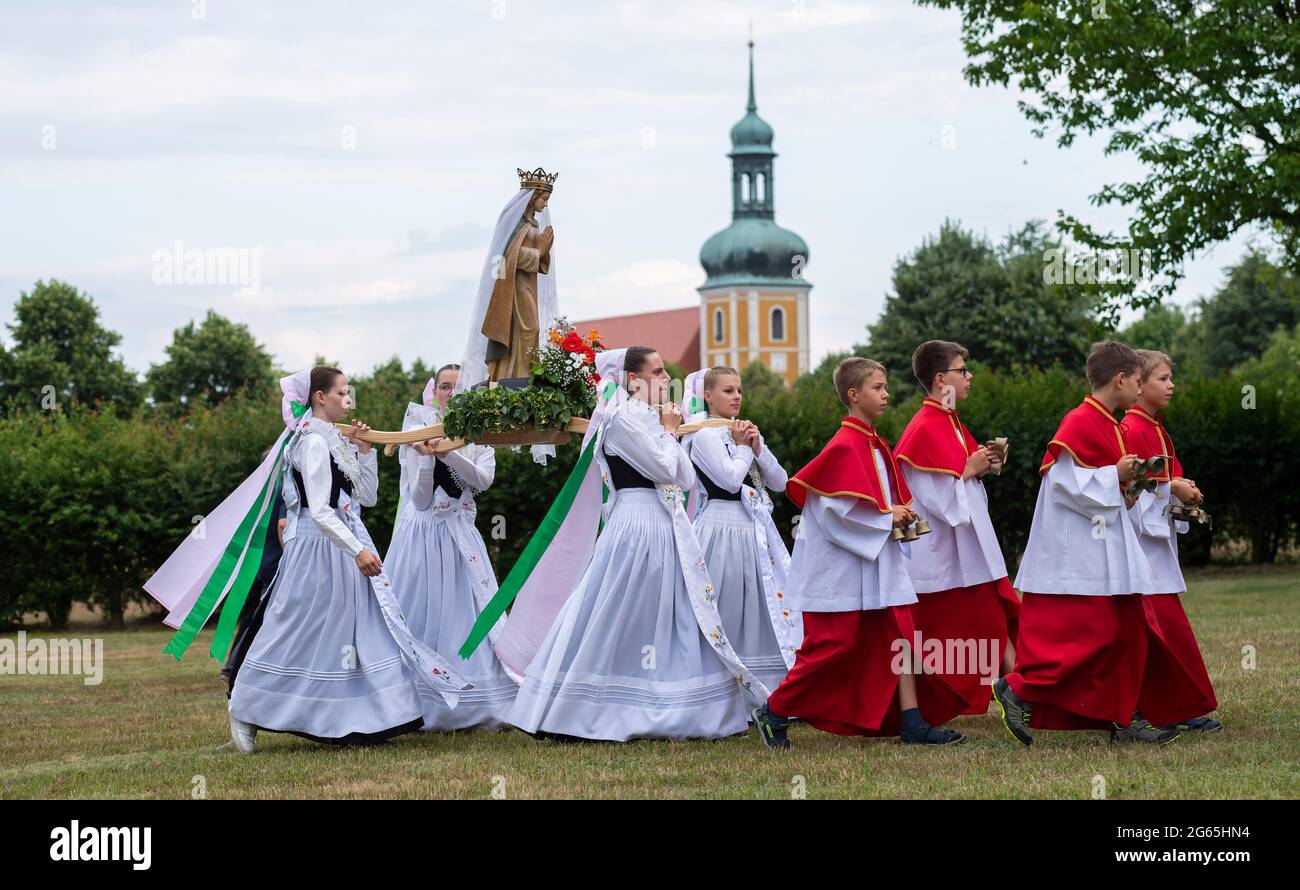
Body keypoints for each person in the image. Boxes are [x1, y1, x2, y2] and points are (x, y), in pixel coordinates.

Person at [506, 347, 767, 741]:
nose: (666, 379)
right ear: (633, 380)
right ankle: (580, 708)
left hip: (663, 520)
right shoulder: (622, 418)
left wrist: (668, 433)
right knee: (619, 607)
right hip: (636, 521)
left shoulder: (652, 418)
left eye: (665, 372)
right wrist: (668, 432)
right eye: (658, 372)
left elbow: (685, 478)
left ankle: (670, 706)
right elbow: (664, 468)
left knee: (667, 613)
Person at [227, 366, 467, 752]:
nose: (348, 399)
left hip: (342, 543)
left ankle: (362, 716)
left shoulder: (334, 439)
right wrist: (358, 550)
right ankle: (245, 707)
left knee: (354, 630)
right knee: (295, 626)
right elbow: (320, 511)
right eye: (341, 392)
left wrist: (367, 450)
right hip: (317, 546)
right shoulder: (313, 442)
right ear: (320, 397)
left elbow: (366, 498)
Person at [751, 357, 968, 749]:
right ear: (854, 395)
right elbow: (836, 514)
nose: (886, 395)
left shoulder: (873, 443)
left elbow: (876, 505)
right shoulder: (844, 446)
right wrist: (889, 517)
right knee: (831, 647)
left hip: (875, 565)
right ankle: (773, 711)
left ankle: (912, 722)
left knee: (900, 636)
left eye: (885, 387)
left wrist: (899, 520)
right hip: (841, 571)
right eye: (877, 388)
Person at [992, 341, 1181, 745]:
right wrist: (1115, 475)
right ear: (1120, 379)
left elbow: (1110, 490)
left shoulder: (1110, 424)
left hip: (1107, 547)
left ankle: (1122, 717)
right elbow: (1065, 484)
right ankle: (1019, 690)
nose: (1139, 386)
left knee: (1127, 629)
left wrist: (1128, 486)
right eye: (1136, 379)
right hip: (1079, 554)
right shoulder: (1079, 422)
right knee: (1091, 637)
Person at [386, 363, 517, 731]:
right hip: (424, 533)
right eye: (445, 386)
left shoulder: (478, 435)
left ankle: (474, 697)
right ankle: (412, 698)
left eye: (458, 388)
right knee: (422, 606)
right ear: (434, 391)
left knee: (466, 608)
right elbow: (421, 498)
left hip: (461, 531)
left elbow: (483, 480)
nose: (450, 394)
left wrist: (446, 453)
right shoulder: (417, 431)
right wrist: (426, 457)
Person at [893, 340, 1020, 715]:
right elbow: (934, 498)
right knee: (947, 631)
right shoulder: (923, 429)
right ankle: (1018, 693)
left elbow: (959, 479)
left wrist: (978, 465)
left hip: (965, 550)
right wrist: (970, 469)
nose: (969, 377)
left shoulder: (950, 421)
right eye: (962, 370)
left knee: (995, 616)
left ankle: (1019, 692)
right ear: (939, 379)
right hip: (938, 556)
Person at [1119, 349, 1220, 732]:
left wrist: (1181, 489)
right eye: (1162, 378)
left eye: (1170, 378)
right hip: (1139, 549)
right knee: (1157, 629)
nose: (1171, 385)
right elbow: (1125, 492)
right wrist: (1171, 486)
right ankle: (1161, 706)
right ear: (1138, 384)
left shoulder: (1157, 428)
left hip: (1157, 549)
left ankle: (1172, 705)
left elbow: (1161, 482)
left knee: (1165, 629)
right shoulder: (1131, 429)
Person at [682, 366, 800, 694]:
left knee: (762, 607)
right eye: (728, 391)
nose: (736, 397)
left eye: (739, 390)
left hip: (754, 528)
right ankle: (720, 686)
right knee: (726, 604)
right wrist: (743, 447)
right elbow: (729, 480)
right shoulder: (703, 434)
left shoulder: (741, 431)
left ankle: (766, 686)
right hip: (722, 527)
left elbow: (779, 482)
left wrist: (758, 447)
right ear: (708, 396)